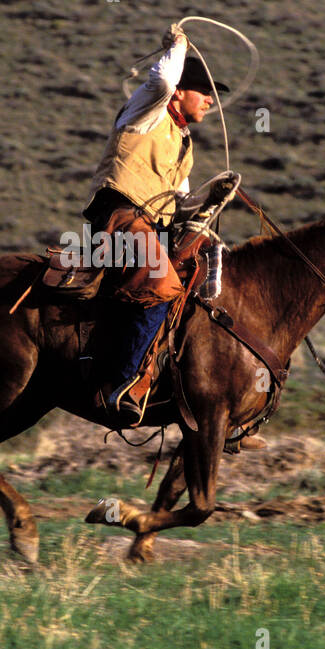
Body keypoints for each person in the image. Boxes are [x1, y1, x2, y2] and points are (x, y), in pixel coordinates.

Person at [83, 23, 227, 423]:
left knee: (197, 278)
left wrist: (211, 196)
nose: (210, 103)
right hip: (119, 217)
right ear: (181, 91)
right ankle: (122, 385)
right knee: (163, 285)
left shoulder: (184, 145)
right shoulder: (147, 111)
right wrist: (177, 46)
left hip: (154, 225)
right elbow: (163, 79)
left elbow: (180, 204)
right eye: (205, 94)